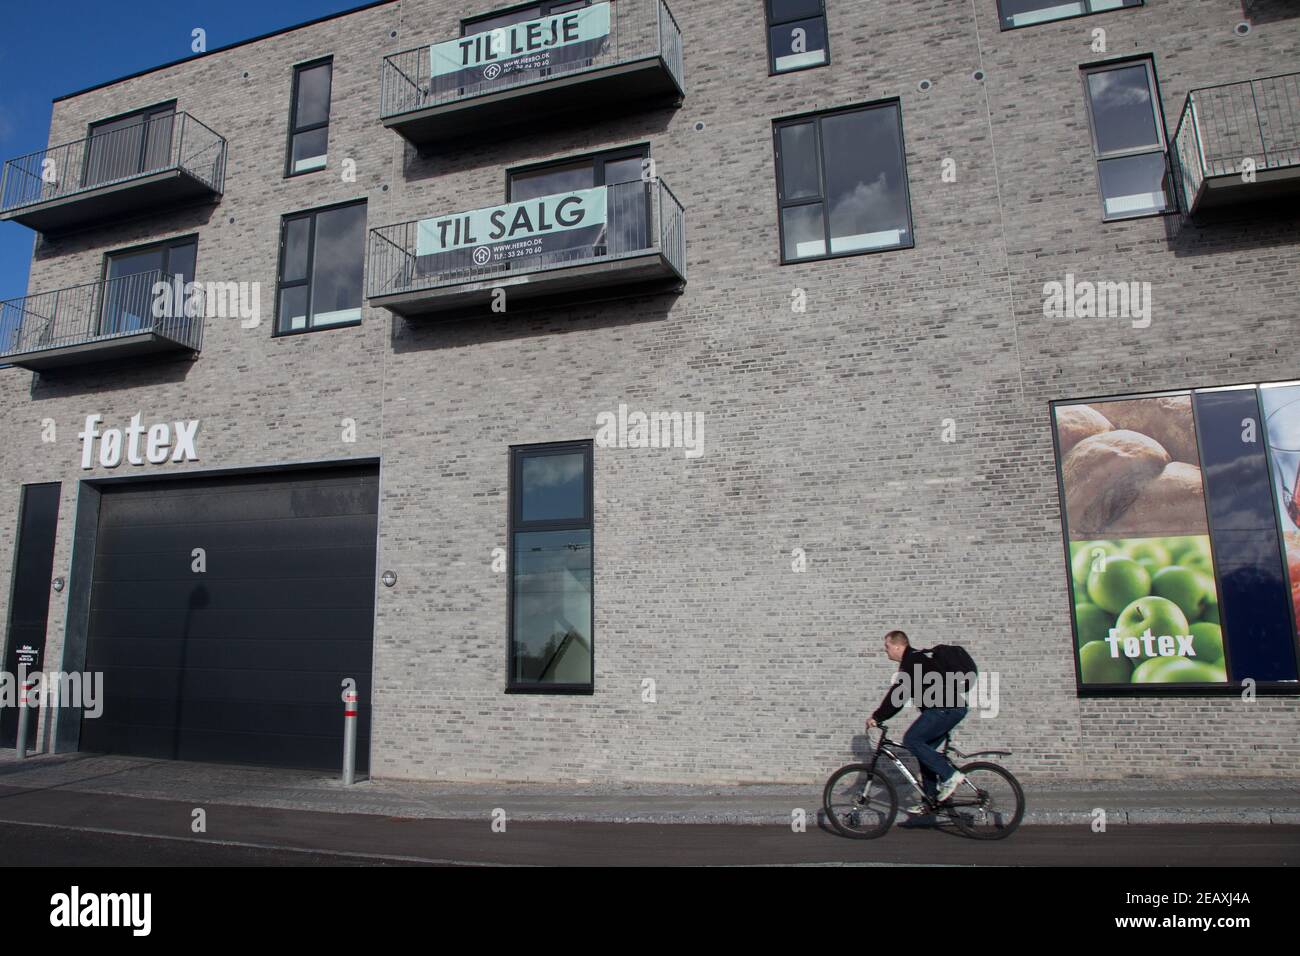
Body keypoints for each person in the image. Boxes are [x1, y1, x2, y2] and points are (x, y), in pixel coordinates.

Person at [865, 629, 968, 821]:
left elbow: (899, 695)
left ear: (897, 645)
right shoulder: (916, 659)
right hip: (950, 708)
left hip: (943, 708)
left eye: (887, 646)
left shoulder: (912, 661)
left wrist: (877, 717)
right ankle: (930, 800)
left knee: (912, 740)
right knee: (925, 750)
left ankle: (950, 776)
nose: (885, 651)